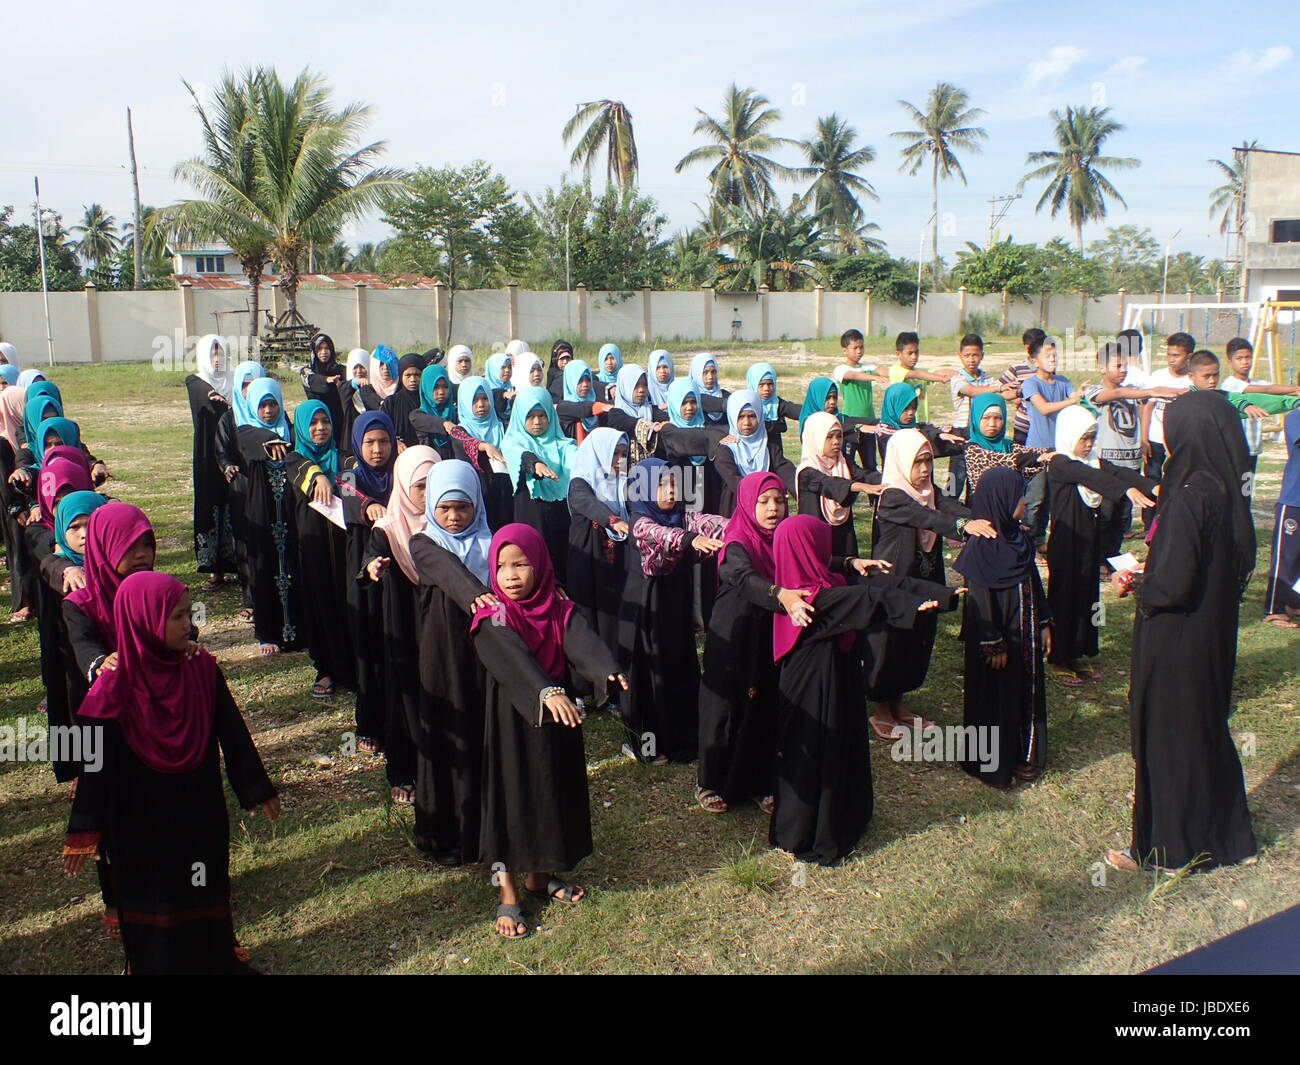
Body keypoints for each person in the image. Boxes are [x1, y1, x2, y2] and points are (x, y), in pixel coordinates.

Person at [65, 571, 279, 974]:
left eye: (188, 614)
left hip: (198, 812)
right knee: (152, 890)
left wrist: (257, 788)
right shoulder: (111, 690)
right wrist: (86, 827)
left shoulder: (201, 671)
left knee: (201, 879)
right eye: (177, 616)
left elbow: (232, 731)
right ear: (144, 620)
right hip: (138, 822)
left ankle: (211, 956)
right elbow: (93, 765)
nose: (189, 624)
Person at [1107, 391, 1258, 874]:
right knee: (1205, 731)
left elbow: (1171, 585)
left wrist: (1136, 581)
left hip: (1176, 640)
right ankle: (1229, 838)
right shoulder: (1225, 490)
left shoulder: (1191, 495)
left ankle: (1169, 849)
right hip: (1212, 636)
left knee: (1170, 740)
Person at [469, 524, 627, 939]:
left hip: (558, 723)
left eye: (521, 564)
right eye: (502, 567)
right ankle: (507, 893)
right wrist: (546, 691)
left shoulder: (558, 606)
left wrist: (604, 667)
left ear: (540, 564)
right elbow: (509, 655)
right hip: (510, 723)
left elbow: (579, 637)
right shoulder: (492, 613)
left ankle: (540, 876)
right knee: (511, 800)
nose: (511, 576)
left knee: (550, 793)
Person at [769, 515, 945, 866]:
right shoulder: (811, 595)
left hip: (833, 680)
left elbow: (865, 588)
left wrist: (934, 594)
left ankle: (837, 816)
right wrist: (913, 604)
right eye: (822, 545)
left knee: (836, 745)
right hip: (816, 688)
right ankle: (808, 832)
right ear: (808, 548)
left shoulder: (811, 581)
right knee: (818, 752)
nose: (827, 552)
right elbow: (865, 599)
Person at [699, 471, 855, 814]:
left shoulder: (780, 536)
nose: (774, 508)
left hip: (771, 627)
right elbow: (741, 576)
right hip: (735, 632)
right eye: (764, 501)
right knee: (726, 704)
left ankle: (758, 781)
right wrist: (779, 593)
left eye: (780, 501)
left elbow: (810, 556)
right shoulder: (738, 541)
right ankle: (712, 780)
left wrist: (850, 563)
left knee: (764, 702)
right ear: (746, 503)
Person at [409, 460, 495, 865]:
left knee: (482, 732)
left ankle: (483, 828)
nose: (454, 517)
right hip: (443, 661)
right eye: (444, 508)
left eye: (462, 507)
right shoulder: (425, 544)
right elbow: (449, 572)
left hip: (483, 656)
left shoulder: (492, 544)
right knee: (449, 733)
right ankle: (444, 834)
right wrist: (479, 595)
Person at [868, 428, 980, 737]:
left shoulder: (930, 491)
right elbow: (928, 518)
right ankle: (881, 708)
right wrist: (964, 526)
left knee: (916, 641)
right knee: (891, 643)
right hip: (895, 583)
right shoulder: (892, 496)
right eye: (917, 463)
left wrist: (981, 517)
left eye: (928, 461)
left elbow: (950, 506)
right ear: (902, 462)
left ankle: (899, 703)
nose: (925, 470)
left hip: (925, 577)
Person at [618, 458, 726, 765]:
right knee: (649, 675)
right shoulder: (640, 520)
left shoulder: (681, 515)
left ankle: (683, 741)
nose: (670, 491)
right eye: (662, 485)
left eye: (675, 484)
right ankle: (645, 745)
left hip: (673, 608)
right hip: (645, 611)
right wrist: (693, 540)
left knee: (678, 666)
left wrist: (739, 527)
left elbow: (706, 522)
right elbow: (664, 536)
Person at [953, 468, 1053, 788]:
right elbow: (979, 600)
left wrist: (1045, 623)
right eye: (1020, 497)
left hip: (1024, 634)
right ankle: (992, 764)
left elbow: (1033, 582)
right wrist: (991, 641)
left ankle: (1021, 752)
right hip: (997, 641)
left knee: (1020, 693)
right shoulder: (982, 547)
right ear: (1001, 500)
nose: (1025, 503)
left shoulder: (1019, 538)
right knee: (994, 697)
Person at [1045, 406, 1157, 685]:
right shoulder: (1060, 462)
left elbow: (1117, 472)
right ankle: (1059, 657)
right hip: (1066, 542)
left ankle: (1079, 651)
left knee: (1086, 594)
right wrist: (1125, 492)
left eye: (1093, 437)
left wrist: (1150, 486)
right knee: (1064, 597)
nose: (1089, 444)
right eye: (1084, 438)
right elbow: (1093, 478)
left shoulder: (1093, 459)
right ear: (1071, 436)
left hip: (1088, 540)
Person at [364, 445, 441, 805]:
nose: (427, 495)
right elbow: (369, 558)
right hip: (404, 625)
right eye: (420, 486)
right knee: (404, 692)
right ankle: (404, 770)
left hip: (441, 623)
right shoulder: (389, 529)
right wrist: (372, 568)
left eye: (434, 485)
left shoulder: (453, 520)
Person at [1084, 341, 1180, 576]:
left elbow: (1143, 407)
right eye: (1117, 365)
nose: (1122, 370)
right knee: (1105, 516)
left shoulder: (1134, 392)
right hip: (1108, 466)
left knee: (1123, 517)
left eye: (1124, 365)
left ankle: (1112, 557)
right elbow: (1117, 393)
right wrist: (1150, 391)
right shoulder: (1094, 392)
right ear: (1101, 368)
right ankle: (1098, 559)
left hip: (1132, 464)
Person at [287, 400, 356, 698]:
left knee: (349, 604)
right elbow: (302, 470)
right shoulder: (295, 459)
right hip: (313, 550)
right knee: (320, 605)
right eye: (313, 423)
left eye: (325, 422)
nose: (320, 428)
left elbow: (355, 470)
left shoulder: (341, 458)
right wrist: (317, 474)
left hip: (345, 551)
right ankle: (325, 668)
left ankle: (353, 668)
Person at [232, 378, 305, 655]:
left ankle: (296, 629)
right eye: (261, 405)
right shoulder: (247, 431)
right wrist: (269, 439)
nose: (267, 411)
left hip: (289, 511)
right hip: (261, 513)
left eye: (272, 403)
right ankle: (267, 632)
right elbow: (247, 441)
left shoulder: (289, 429)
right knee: (263, 567)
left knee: (293, 566)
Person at [566, 427, 630, 656]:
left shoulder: (622, 484)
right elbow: (587, 502)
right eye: (615, 454)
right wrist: (613, 521)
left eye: (624, 454)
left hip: (616, 559)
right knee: (589, 614)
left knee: (614, 616)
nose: (620, 460)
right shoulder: (580, 482)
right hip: (589, 559)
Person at [501, 386, 576, 579]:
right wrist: (535, 464)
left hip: (561, 513)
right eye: (530, 416)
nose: (537, 422)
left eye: (542, 415)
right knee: (534, 559)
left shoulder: (563, 443)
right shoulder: (513, 440)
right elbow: (520, 453)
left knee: (562, 559)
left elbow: (575, 457)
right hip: (532, 511)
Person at [184, 335, 237, 590]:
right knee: (210, 504)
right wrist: (215, 395)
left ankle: (238, 565)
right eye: (213, 354)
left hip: (232, 451)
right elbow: (202, 394)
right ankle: (214, 570)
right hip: (207, 456)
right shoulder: (196, 381)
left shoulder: (235, 379)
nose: (217, 360)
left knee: (236, 504)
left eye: (221, 354)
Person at [795, 411, 880, 557]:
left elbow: (864, 475)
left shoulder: (842, 462)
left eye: (839, 436)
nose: (836, 442)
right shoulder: (806, 471)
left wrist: (889, 479)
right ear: (816, 438)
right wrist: (859, 486)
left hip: (842, 531)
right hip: (817, 533)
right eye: (829, 437)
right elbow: (827, 483)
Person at [1139, 332, 1194, 530]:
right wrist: (1144, 438)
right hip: (1155, 440)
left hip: (1179, 443)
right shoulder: (1158, 377)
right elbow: (1147, 407)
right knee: (1152, 480)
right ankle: (1149, 525)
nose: (1172, 360)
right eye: (1169, 355)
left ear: (1188, 356)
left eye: (1176, 355)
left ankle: (1172, 520)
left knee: (1177, 481)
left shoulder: (1193, 380)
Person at [713, 389, 796, 515]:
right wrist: (759, 495)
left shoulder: (768, 444)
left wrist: (798, 490)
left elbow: (783, 468)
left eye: (752, 416)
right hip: (736, 508)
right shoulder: (726, 449)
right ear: (732, 416)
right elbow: (734, 481)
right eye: (740, 417)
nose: (746, 422)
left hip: (769, 507)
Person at [960, 393, 1053, 498]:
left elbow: (1029, 453)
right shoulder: (972, 449)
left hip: (1012, 506)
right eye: (986, 418)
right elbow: (1001, 460)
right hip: (985, 508)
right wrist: (1037, 458)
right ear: (976, 419)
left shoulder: (1008, 445)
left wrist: (1052, 452)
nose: (992, 424)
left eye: (997, 418)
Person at [946, 333, 1000, 499]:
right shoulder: (957, 378)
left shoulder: (988, 379)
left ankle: (973, 511)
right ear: (960, 356)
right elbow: (972, 391)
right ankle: (948, 509)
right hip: (962, 432)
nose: (971, 359)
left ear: (982, 355)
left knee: (977, 476)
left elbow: (1004, 394)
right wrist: (998, 389)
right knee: (956, 476)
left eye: (975, 355)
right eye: (967, 356)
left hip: (981, 433)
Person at [1263, 408, 1300, 628]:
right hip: (1294, 499)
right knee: (1285, 557)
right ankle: (1274, 609)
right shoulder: (1295, 417)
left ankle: (1294, 601)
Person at [888, 331, 954, 424]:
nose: (914, 357)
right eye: (910, 353)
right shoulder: (896, 371)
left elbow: (936, 372)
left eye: (916, 352)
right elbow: (917, 374)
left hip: (922, 421)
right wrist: (941, 378)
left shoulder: (922, 372)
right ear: (898, 353)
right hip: (903, 423)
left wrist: (958, 374)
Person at [998, 328, 1046, 446]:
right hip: (1023, 425)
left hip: (1043, 425)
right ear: (1027, 347)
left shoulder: (1049, 368)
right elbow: (999, 389)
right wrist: (1016, 396)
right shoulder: (1018, 368)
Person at [299, 332, 347, 446]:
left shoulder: (341, 370)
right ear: (314, 351)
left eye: (327, 348)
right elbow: (312, 381)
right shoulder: (306, 371)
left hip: (338, 418)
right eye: (319, 349)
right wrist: (326, 380)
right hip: (317, 419)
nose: (324, 352)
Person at [381, 353, 427, 446]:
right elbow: (382, 429)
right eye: (408, 375)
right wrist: (395, 442)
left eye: (417, 374)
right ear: (401, 376)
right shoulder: (391, 403)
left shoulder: (430, 401)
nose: (413, 379)